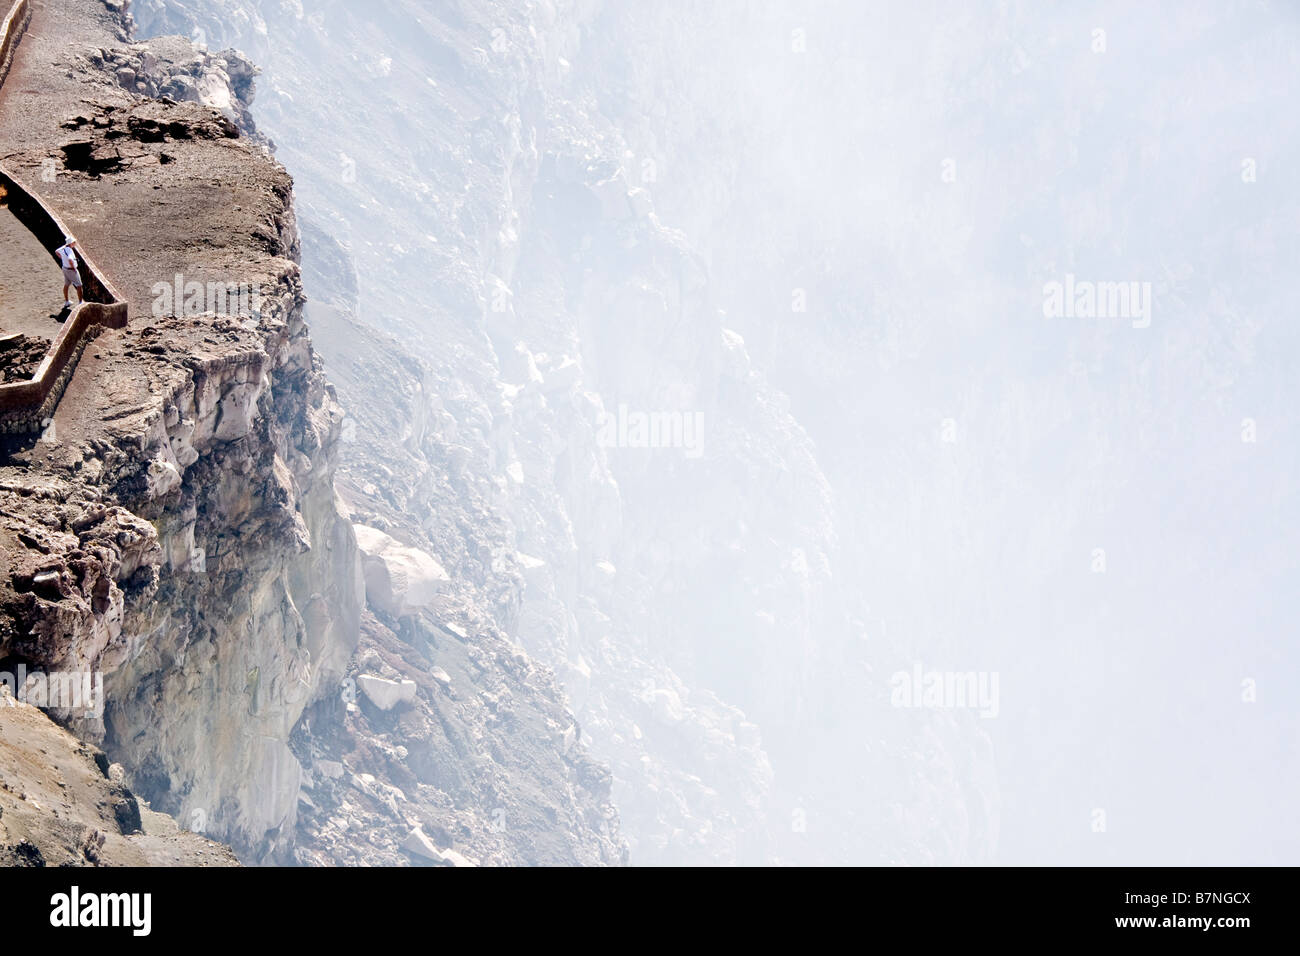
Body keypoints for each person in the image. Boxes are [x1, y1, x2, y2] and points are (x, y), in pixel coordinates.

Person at [54, 236, 85, 310]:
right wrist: (73, 267)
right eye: (74, 242)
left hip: (65, 268)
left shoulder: (63, 248)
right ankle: (80, 303)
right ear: (71, 243)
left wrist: (62, 258)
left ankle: (67, 301)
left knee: (67, 284)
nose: (75, 243)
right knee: (79, 285)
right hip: (71, 270)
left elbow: (56, 251)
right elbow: (70, 259)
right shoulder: (70, 250)